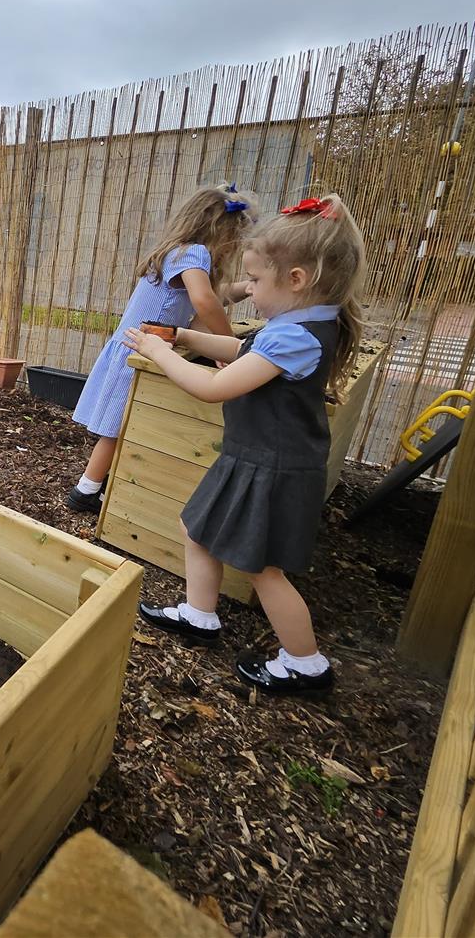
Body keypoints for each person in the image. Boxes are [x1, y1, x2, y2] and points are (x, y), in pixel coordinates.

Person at [123, 193, 367, 695]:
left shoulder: (298, 337)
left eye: (255, 281)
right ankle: (199, 614)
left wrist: (155, 352)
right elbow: (243, 349)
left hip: (273, 468)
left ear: (296, 279)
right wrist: (183, 338)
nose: (249, 291)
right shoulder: (296, 325)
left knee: (262, 571)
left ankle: (307, 664)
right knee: (199, 530)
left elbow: (214, 388)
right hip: (253, 458)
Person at [65, 184, 254, 514]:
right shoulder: (193, 252)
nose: (232, 249)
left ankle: (97, 482)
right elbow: (205, 300)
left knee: (121, 426)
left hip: (140, 348)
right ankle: (85, 491)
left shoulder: (182, 254)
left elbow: (216, 294)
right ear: (219, 230)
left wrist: (249, 288)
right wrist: (230, 346)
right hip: (137, 352)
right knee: (118, 428)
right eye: (233, 239)